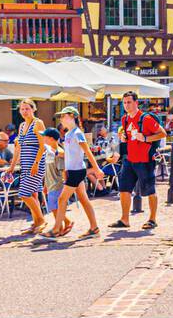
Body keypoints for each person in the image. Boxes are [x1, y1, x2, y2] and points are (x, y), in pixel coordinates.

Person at [112, 92, 166, 231]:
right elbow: (127, 136)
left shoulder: (146, 118)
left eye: (129, 102)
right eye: (124, 103)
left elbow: (162, 133)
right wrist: (123, 137)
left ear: (136, 103)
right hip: (129, 160)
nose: (126, 105)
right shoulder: (124, 119)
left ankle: (152, 219)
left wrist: (146, 139)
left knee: (149, 190)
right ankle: (124, 219)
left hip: (145, 160)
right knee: (124, 189)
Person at [46, 106, 102, 239]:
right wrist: (66, 170)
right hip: (73, 171)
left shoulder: (77, 133)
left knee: (62, 199)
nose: (61, 119)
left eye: (63, 116)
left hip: (77, 171)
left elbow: (87, 152)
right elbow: (69, 155)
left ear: (71, 116)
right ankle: (94, 228)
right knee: (83, 199)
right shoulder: (68, 134)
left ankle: (56, 229)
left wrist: (97, 168)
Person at [5, 99, 49, 235]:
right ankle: (36, 223)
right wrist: (12, 166)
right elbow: (18, 147)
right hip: (25, 164)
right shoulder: (22, 125)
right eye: (22, 109)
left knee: (24, 194)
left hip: (35, 164)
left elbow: (43, 146)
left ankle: (41, 220)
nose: (24, 111)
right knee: (33, 194)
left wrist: (36, 164)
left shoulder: (38, 123)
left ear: (33, 109)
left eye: (27, 109)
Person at [41, 128, 65, 221]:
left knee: (54, 207)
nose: (43, 139)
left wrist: (65, 185)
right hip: (50, 184)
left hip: (57, 184)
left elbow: (63, 170)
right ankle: (64, 224)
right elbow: (47, 171)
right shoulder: (47, 152)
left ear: (51, 139)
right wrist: (45, 186)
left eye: (44, 137)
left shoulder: (58, 152)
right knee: (53, 207)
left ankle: (60, 226)